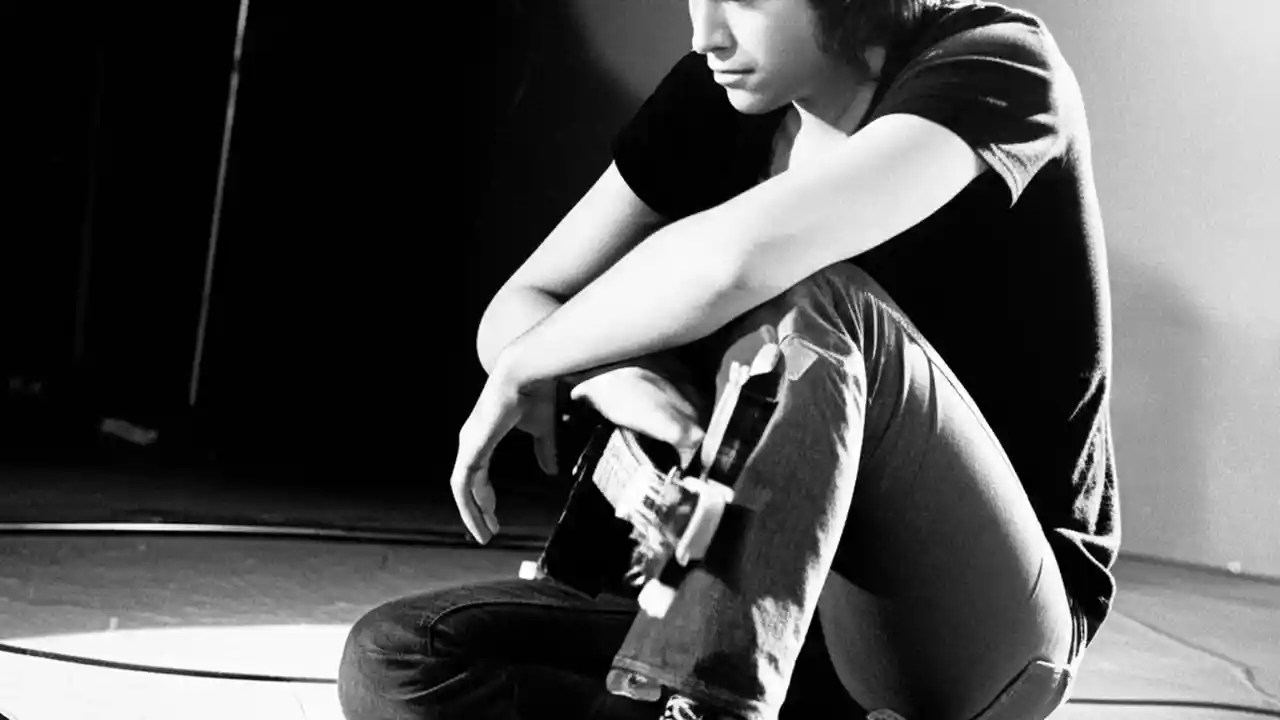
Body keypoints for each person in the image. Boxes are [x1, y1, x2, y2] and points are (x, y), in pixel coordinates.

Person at [337, 0, 1120, 718]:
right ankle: (699, 682)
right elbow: (524, 300)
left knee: (817, 305)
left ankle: (709, 703)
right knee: (402, 658)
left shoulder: (998, 65)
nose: (705, 34)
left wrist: (530, 362)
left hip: (969, 632)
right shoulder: (715, 94)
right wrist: (611, 375)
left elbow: (736, 258)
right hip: (729, 589)